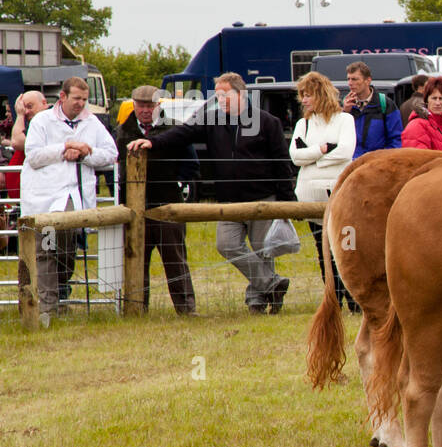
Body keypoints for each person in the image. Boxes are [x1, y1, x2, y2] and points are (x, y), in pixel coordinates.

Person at [129, 72, 296, 314]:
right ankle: (272, 284)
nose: (221, 100)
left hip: (263, 198)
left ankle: (258, 301)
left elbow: (282, 162)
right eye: (217, 95)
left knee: (262, 251)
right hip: (228, 201)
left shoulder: (268, 122)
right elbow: (182, 133)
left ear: (242, 94)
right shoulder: (211, 120)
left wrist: (286, 200)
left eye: (225, 95)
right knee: (226, 245)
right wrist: (154, 142)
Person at [19, 78, 118, 318]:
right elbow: (33, 155)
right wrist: (65, 148)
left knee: (65, 249)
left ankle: (60, 293)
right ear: (62, 97)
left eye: (84, 100)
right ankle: (48, 309)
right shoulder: (42, 121)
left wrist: (86, 152)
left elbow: (111, 153)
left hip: (74, 194)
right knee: (46, 249)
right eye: (77, 99)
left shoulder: (91, 122)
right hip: (45, 197)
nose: (81, 104)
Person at [116, 86, 199, 314]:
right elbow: (113, 171)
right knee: (136, 260)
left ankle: (186, 308)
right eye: (140, 105)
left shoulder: (174, 129)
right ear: (133, 105)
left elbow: (192, 164)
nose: (144, 110)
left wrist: (177, 184)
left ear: (158, 105)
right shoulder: (122, 132)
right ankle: (136, 308)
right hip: (133, 209)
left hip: (167, 206)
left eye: (149, 106)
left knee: (175, 259)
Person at [289, 71, 357, 310]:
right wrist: (322, 150)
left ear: (320, 94)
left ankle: (354, 299)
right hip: (310, 197)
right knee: (322, 250)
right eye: (302, 96)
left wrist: (314, 159)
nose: (304, 100)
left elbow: (346, 151)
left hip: (339, 196)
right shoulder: (303, 124)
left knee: (346, 249)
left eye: (308, 95)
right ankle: (333, 300)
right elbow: (296, 156)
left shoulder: (344, 120)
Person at [344, 61, 402, 158]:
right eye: (348, 79)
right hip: (351, 163)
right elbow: (337, 138)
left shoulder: (385, 104)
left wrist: (383, 160)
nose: (350, 83)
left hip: (376, 165)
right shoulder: (346, 105)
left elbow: (396, 139)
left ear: (368, 80)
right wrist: (345, 113)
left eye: (354, 79)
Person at [401, 76, 442, 152]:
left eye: (441, 98)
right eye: (434, 98)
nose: (437, 103)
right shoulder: (417, 126)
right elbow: (418, 160)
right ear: (426, 100)